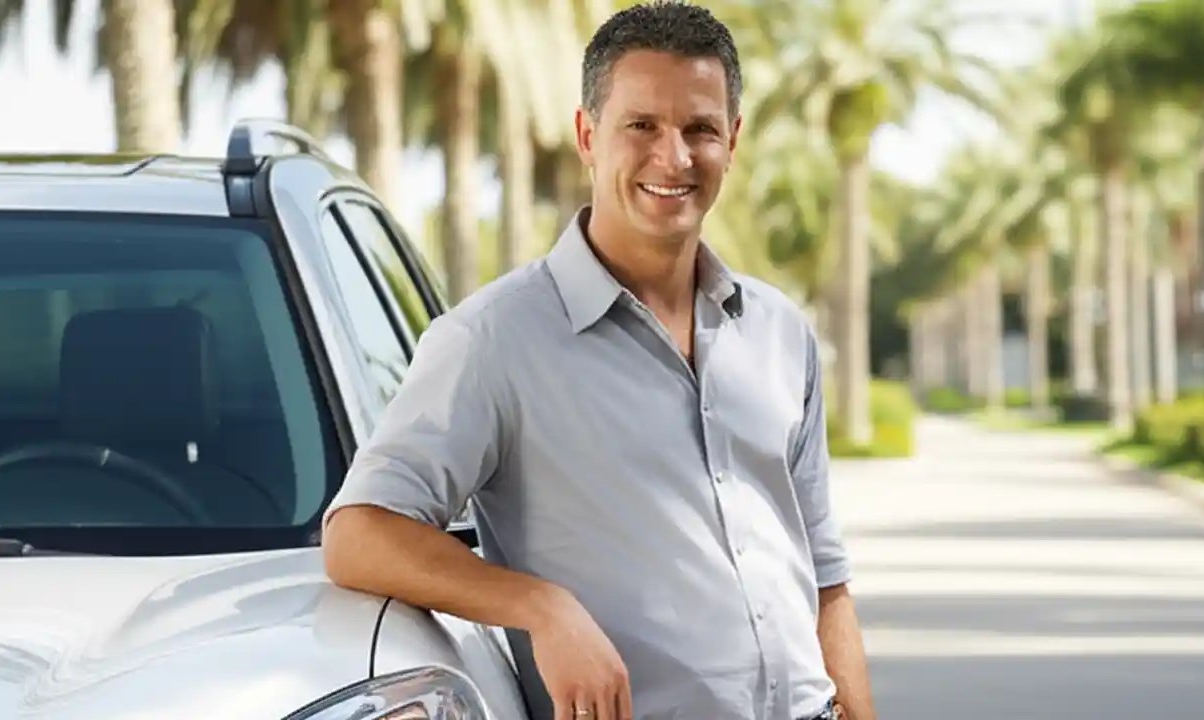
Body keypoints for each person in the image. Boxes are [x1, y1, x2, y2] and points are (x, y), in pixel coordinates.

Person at [321, 2, 875, 719]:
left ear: (732, 141)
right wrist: (539, 606)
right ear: (588, 135)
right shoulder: (494, 340)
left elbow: (826, 582)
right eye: (641, 125)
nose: (672, 157)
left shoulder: (779, 332)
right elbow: (359, 534)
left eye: (699, 129)